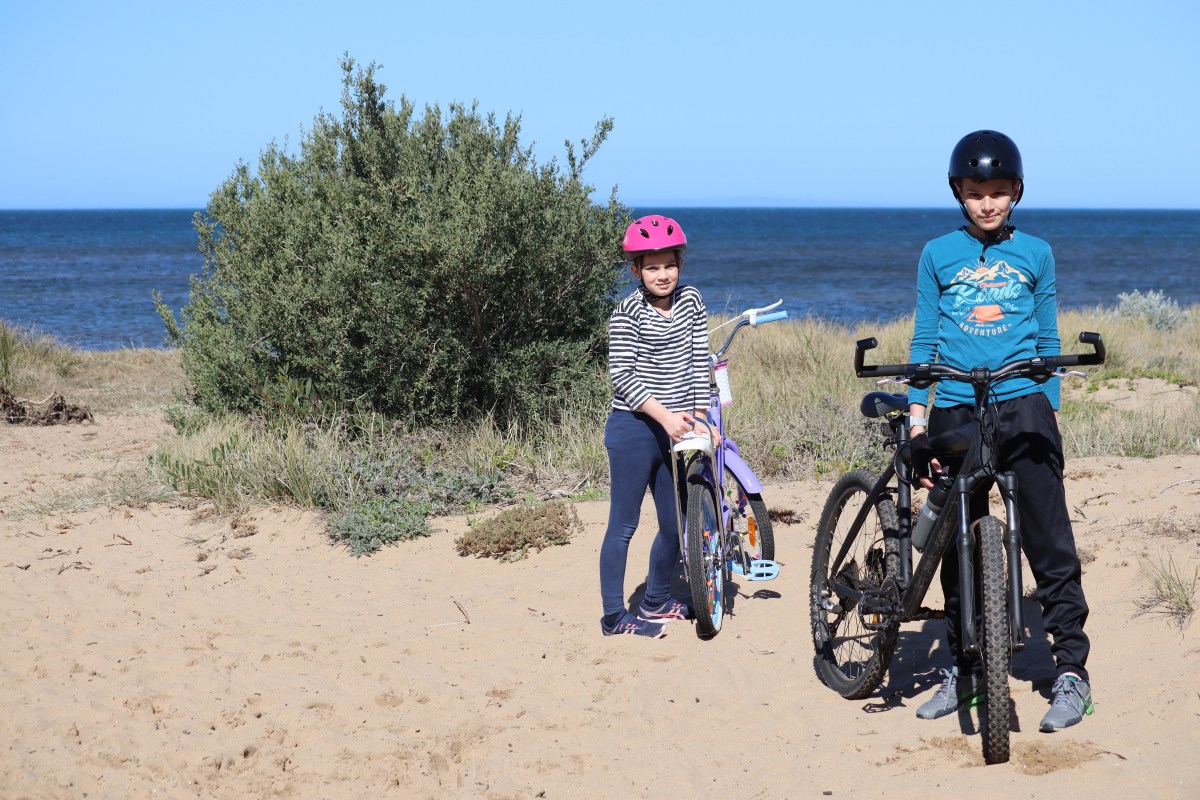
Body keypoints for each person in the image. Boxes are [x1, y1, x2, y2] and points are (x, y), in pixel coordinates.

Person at [906, 130, 1094, 730]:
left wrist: (1049, 407)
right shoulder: (937, 254)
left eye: (998, 192)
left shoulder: (1037, 253)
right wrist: (916, 416)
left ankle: (1071, 672)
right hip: (956, 406)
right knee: (957, 546)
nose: (987, 204)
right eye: (975, 193)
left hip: (1023, 406)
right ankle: (962, 672)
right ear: (958, 193)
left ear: (1016, 191)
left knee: (1048, 538)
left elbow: (1048, 339)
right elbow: (923, 341)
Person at [599, 214, 716, 637]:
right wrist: (666, 417)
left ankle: (656, 598)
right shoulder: (626, 312)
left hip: (678, 429)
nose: (662, 275)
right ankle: (613, 615)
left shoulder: (692, 301)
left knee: (675, 524)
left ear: (679, 265)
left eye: (669, 265)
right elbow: (623, 376)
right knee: (624, 525)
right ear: (636, 270)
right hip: (634, 429)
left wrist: (702, 417)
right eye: (651, 267)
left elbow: (697, 359)